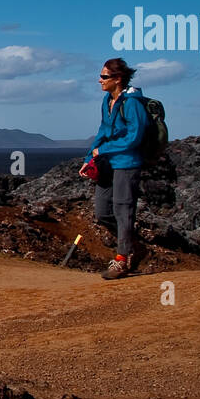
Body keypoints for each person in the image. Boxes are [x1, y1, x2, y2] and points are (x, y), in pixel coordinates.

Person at [80, 58, 148, 280]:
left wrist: (105, 149)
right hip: (108, 163)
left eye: (104, 77)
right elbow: (103, 129)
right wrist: (90, 157)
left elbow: (134, 137)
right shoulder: (107, 100)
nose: (99, 80)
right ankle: (133, 246)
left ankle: (122, 259)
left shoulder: (132, 103)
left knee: (123, 210)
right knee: (102, 211)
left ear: (118, 79)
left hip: (127, 163)